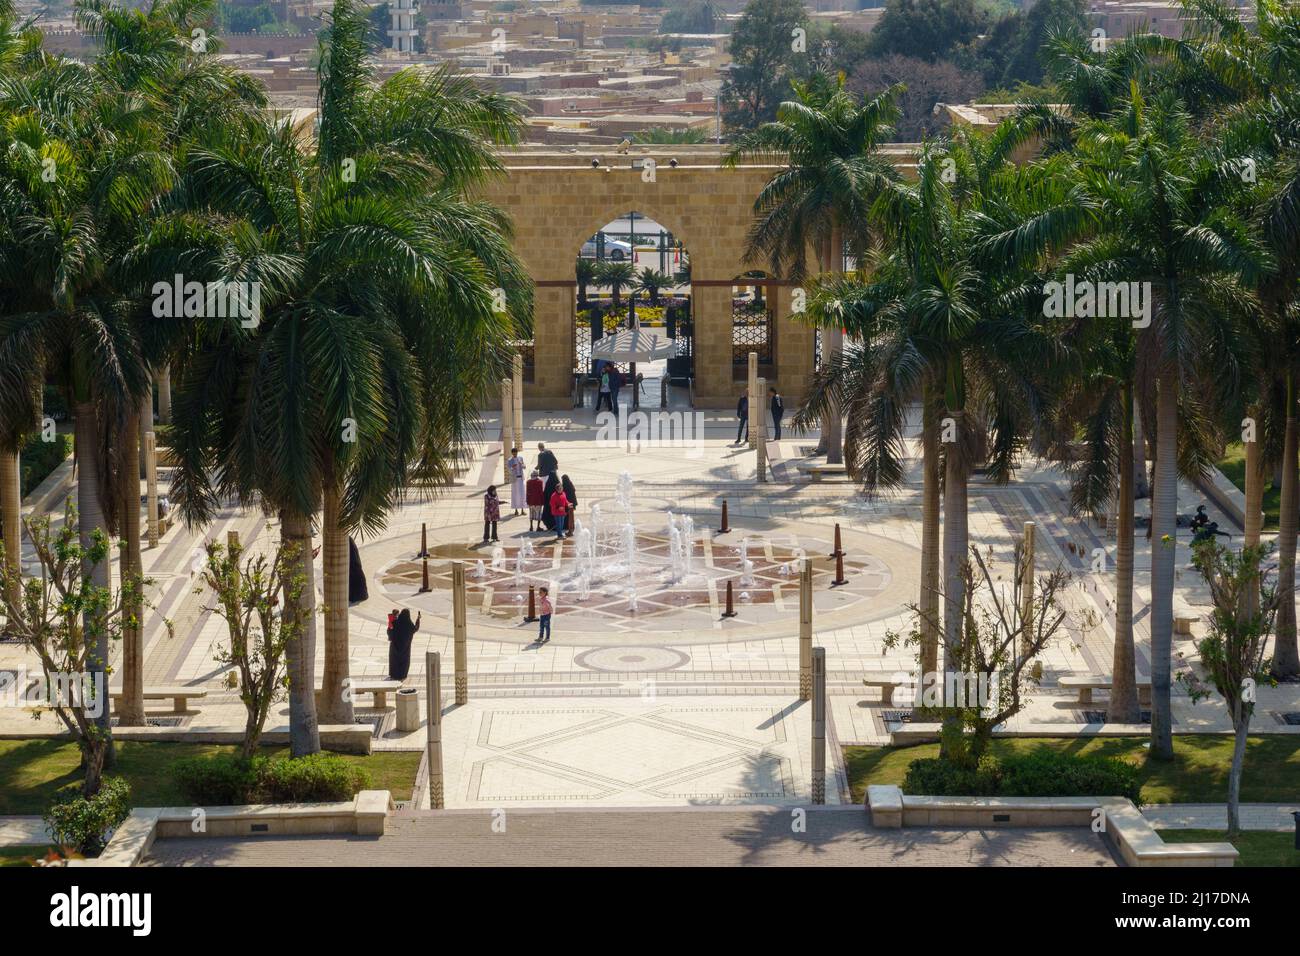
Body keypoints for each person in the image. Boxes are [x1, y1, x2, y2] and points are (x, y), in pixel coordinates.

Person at [388, 608, 421, 681]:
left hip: (394, 648)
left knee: (394, 661)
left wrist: (393, 616)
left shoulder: (396, 623)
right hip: (405, 649)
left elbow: (389, 630)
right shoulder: (409, 625)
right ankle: (402, 675)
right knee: (404, 661)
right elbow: (416, 628)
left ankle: (394, 675)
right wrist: (418, 619)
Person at [348, 536, 368, 603]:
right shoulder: (348, 540)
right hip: (353, 564)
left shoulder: (348, 540)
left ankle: (357, 596)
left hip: (353, 564)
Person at [507, 447, 526, 515]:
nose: (515, 454)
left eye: (516, 453)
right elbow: (509, 470)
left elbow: (524, 467)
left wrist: (521, 464)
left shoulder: (520, 458)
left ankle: (522, 509)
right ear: (512, 453)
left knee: (522, 494)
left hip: (520, 479)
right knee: (515, 494)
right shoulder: (509, 460)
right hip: (514, 480)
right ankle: (516, 510)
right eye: (514, 453)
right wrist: (513, 467)